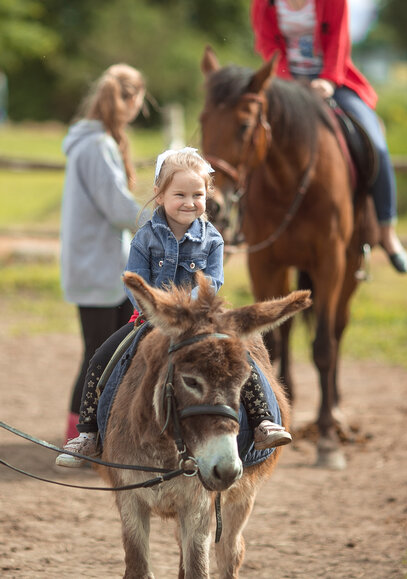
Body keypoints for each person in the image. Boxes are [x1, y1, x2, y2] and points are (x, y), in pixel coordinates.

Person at [56, 147, 293, 467]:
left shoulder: (213, 240)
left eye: (198, 194)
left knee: (240, 356)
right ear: (159, 195)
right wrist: (157, 310)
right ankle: (89, 433)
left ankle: (262, 420)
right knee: (103, 356)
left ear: (207, 196)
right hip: (153, 319)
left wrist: (188, 312)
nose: (189, 202)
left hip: (201, 319)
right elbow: (135, 279)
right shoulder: (145, 237)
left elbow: (212, 280)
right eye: (179, 194)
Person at [251, 0, 407, 274]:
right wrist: (292, 83)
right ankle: (239, 228)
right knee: (250, 138)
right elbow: (267, 45)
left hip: (334, 81)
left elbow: (339, 38)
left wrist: (327, 80)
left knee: (376, 142)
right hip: (286, 86)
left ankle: (386, 230)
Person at [59, 64, 146, 444]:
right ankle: (81, 435)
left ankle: (94, 431)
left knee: (102, 353)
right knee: (100, 355)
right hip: (99, 269)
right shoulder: (97, 146)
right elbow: (118, 208)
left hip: (95, 266)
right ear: (131, 99)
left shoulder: (92, 142)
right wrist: (163, 220)